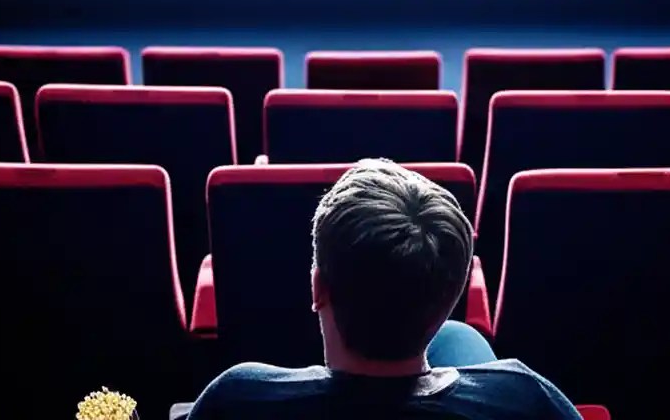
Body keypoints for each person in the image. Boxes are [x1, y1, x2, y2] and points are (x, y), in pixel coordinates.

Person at [187, 159, 582, 419]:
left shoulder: (237, 399)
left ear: (317, 286)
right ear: (453, 294)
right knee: (460, 337)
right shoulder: (525, 399)